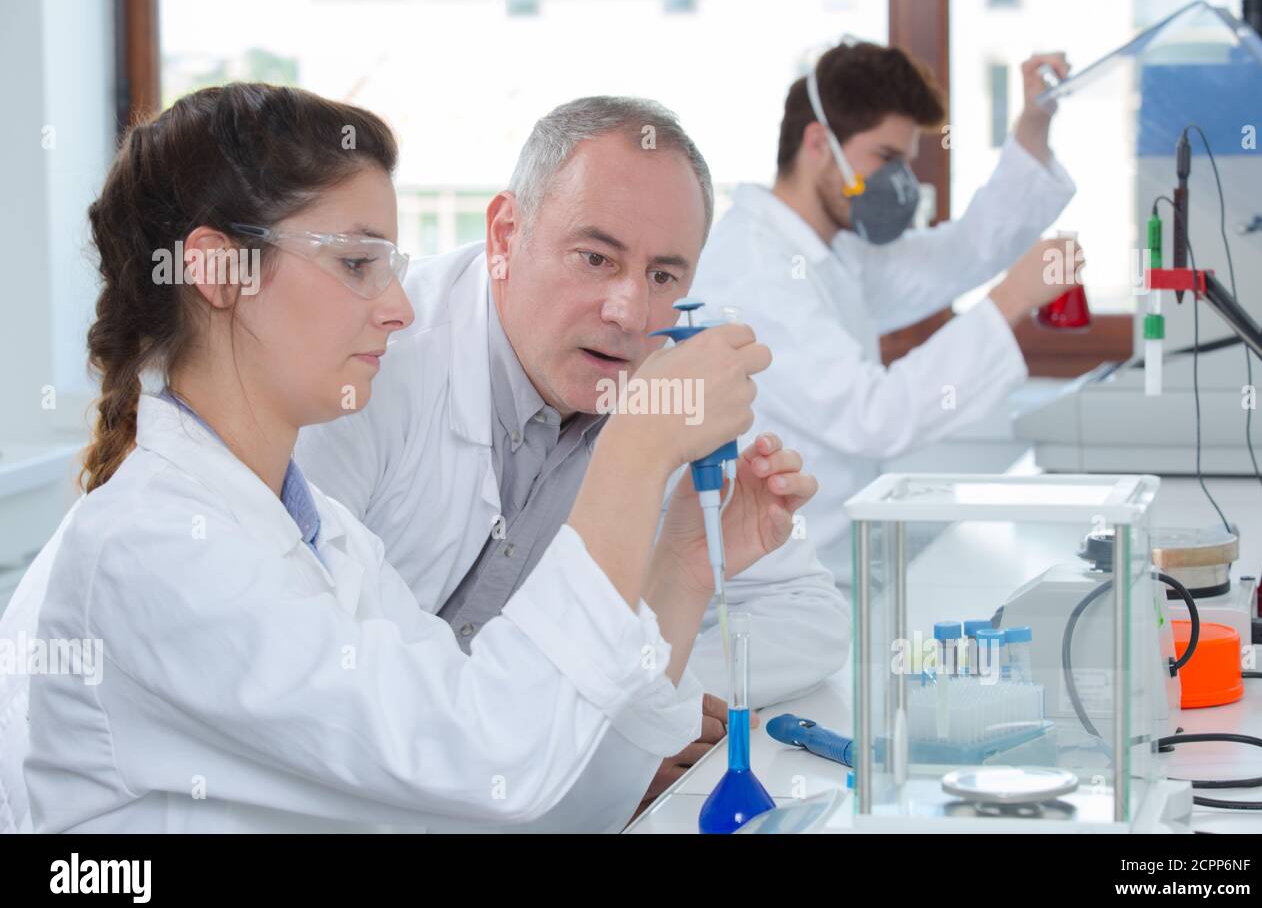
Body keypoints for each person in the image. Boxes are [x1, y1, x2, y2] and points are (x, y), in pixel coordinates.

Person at [15, 83, 788, 833]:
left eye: (390, 263)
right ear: (219, 271)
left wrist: (683, 567)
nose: (402, 306)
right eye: (356, 263)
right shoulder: (158, 555)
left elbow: (519, 791)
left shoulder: (328, 538)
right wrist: (638, 445)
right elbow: (494, 753)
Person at [296, 96, 851, 818]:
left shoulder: (669, 374)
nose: (628, 310)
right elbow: (331, 688)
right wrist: (594, 718)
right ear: (505, 234)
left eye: (663, 277)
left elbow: (810, 614)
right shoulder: (371, 365)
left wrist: (643, 709)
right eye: (595, 258)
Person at [694, 41, 1084, 590]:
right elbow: (873, 416)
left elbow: (962, 253)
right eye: (886, 158)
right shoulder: (758, 270)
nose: (899, 181)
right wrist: (1013, 299)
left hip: (830, 562)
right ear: (818, 144)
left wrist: (1034, 124)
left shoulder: (832, 249)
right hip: (771, 584)